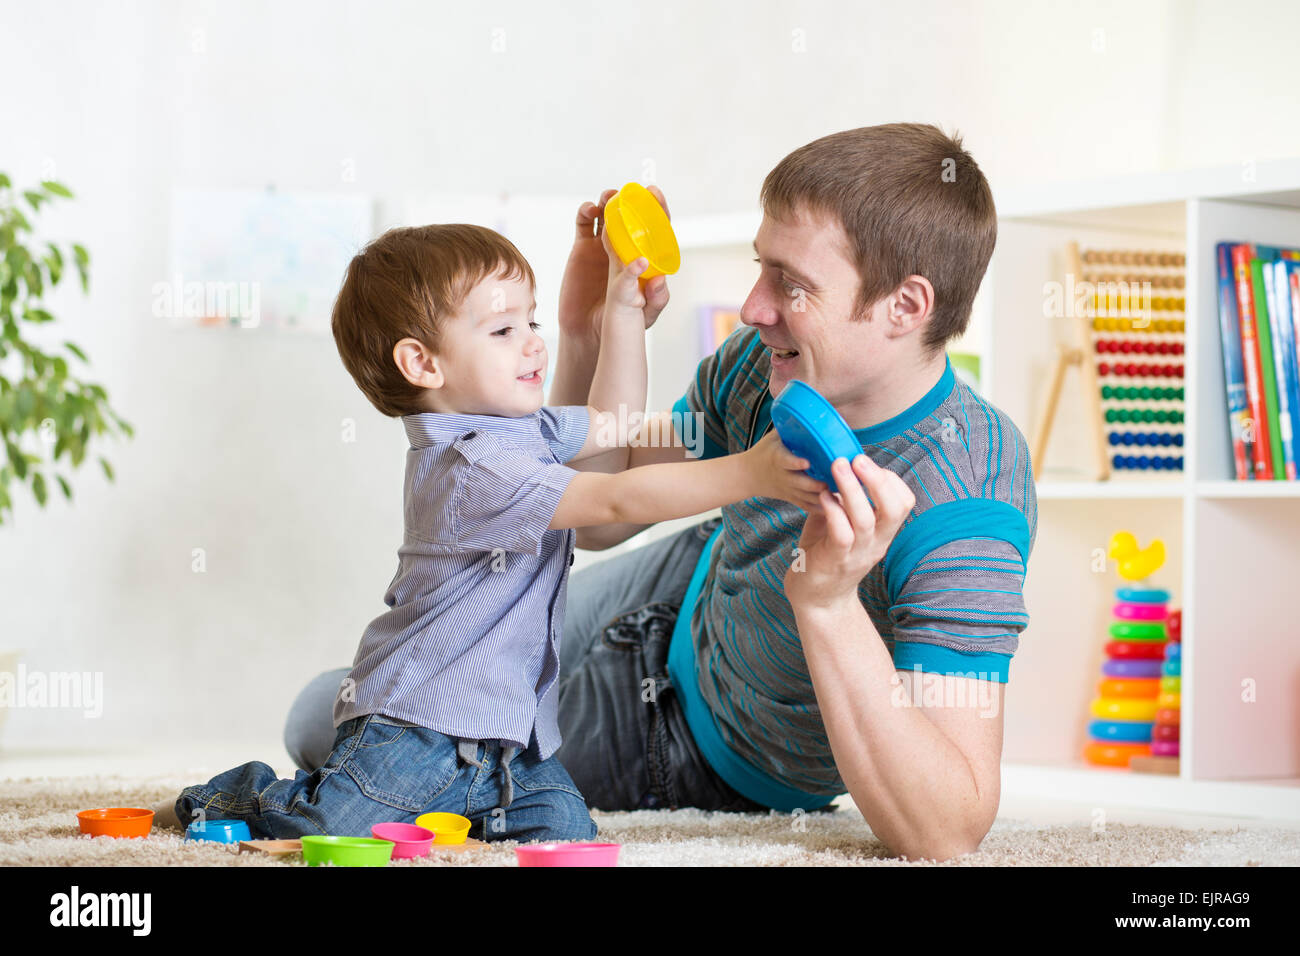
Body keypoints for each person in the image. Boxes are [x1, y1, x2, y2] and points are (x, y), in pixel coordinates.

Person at [285, 122, 1037, 861]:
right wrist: (590, 331)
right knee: (388, 701)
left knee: (326, 721)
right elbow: (607, 504)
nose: (752, 308)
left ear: (905, 307)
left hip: (694, 740)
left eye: (792, 284)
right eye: (761, 267)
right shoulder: (761, 363)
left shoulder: (968, 498)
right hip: (688, 585)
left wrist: (829, 600)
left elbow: (946, 831)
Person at [151, 221, 822, 843]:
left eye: (530, 321)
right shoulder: (470, 471)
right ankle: (231, 798)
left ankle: (462, 812)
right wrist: (751, 472)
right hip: (414, 731)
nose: (533, 341)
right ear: (423, 365)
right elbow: (616, 498)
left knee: (569, 834)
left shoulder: (522, 429)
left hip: (511, 747)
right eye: (503, 331)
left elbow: (615, 424)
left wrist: (623, 313)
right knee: (328, 825)